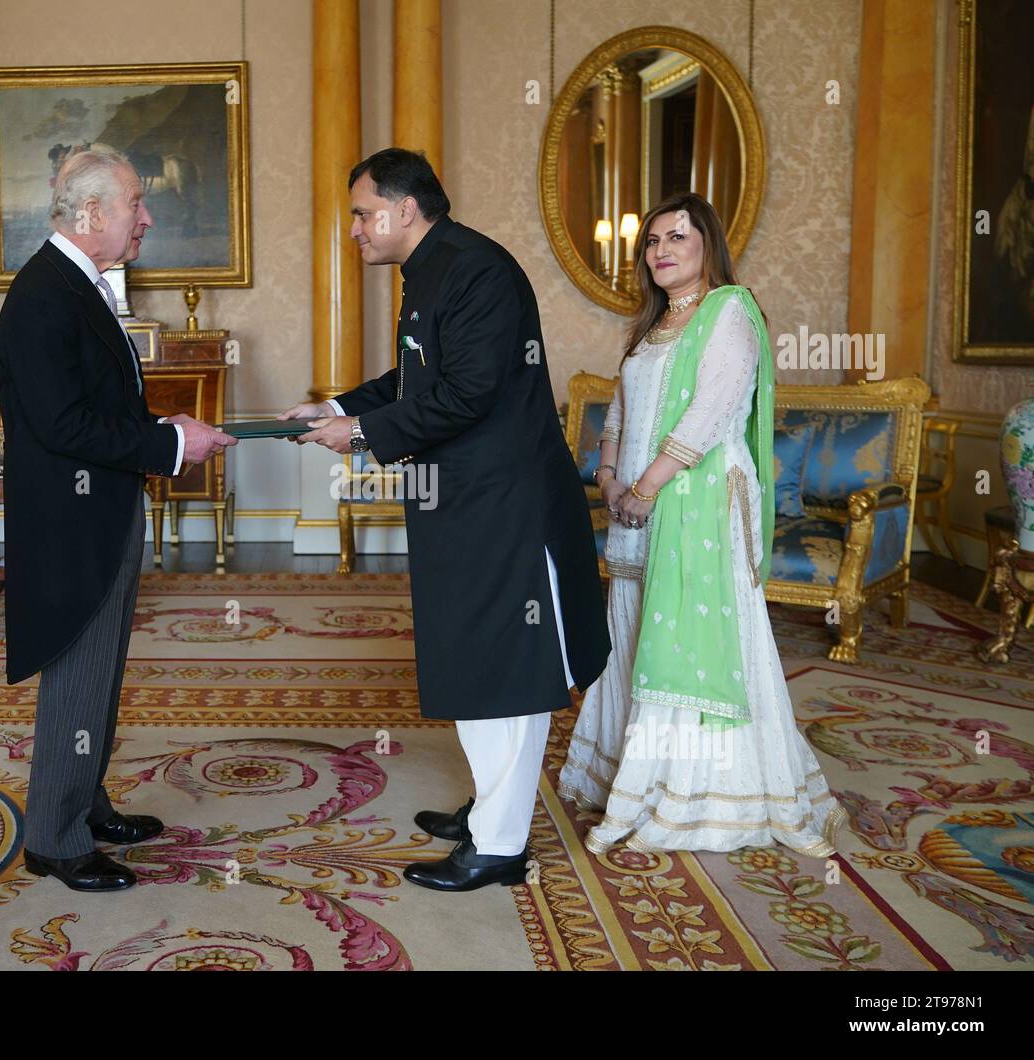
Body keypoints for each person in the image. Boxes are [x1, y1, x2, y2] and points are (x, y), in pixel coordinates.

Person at [282, 148, 608, 892]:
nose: (356, 230)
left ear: (404, 209)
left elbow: (468, 395)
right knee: (480, 660)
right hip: (465, 501)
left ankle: (499, 847)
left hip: (508, 506)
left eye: (363, 214)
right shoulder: (435, 268)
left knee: (513, 670)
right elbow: (418, 377)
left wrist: (361, 435)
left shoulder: (477, 271)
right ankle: (492, 809)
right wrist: (337, 409)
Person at [557, 192, 846, 856]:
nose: (660, 250)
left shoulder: (729, 315)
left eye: (676, 237)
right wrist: (608, 478)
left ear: (707, 245)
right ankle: (629, 773)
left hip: (697, 504)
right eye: (651, 241)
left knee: (695, 633)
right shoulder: (650, 327)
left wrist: (650, 487)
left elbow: (712, 412)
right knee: (631, 626)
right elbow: (620, 414)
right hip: (635, 501)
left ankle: (697, 794)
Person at [0, 147, 236, 891]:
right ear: (92, 213)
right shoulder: (42, 294)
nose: (148, 217)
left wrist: (163, 433)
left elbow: (99, 407)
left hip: (100, 508)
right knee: (77, 670)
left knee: (100, 673)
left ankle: (85, 802)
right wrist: (169, 441)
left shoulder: (78, 283)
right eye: (137, 203)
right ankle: (56, 839)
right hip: (72, 522)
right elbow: (65, 425)